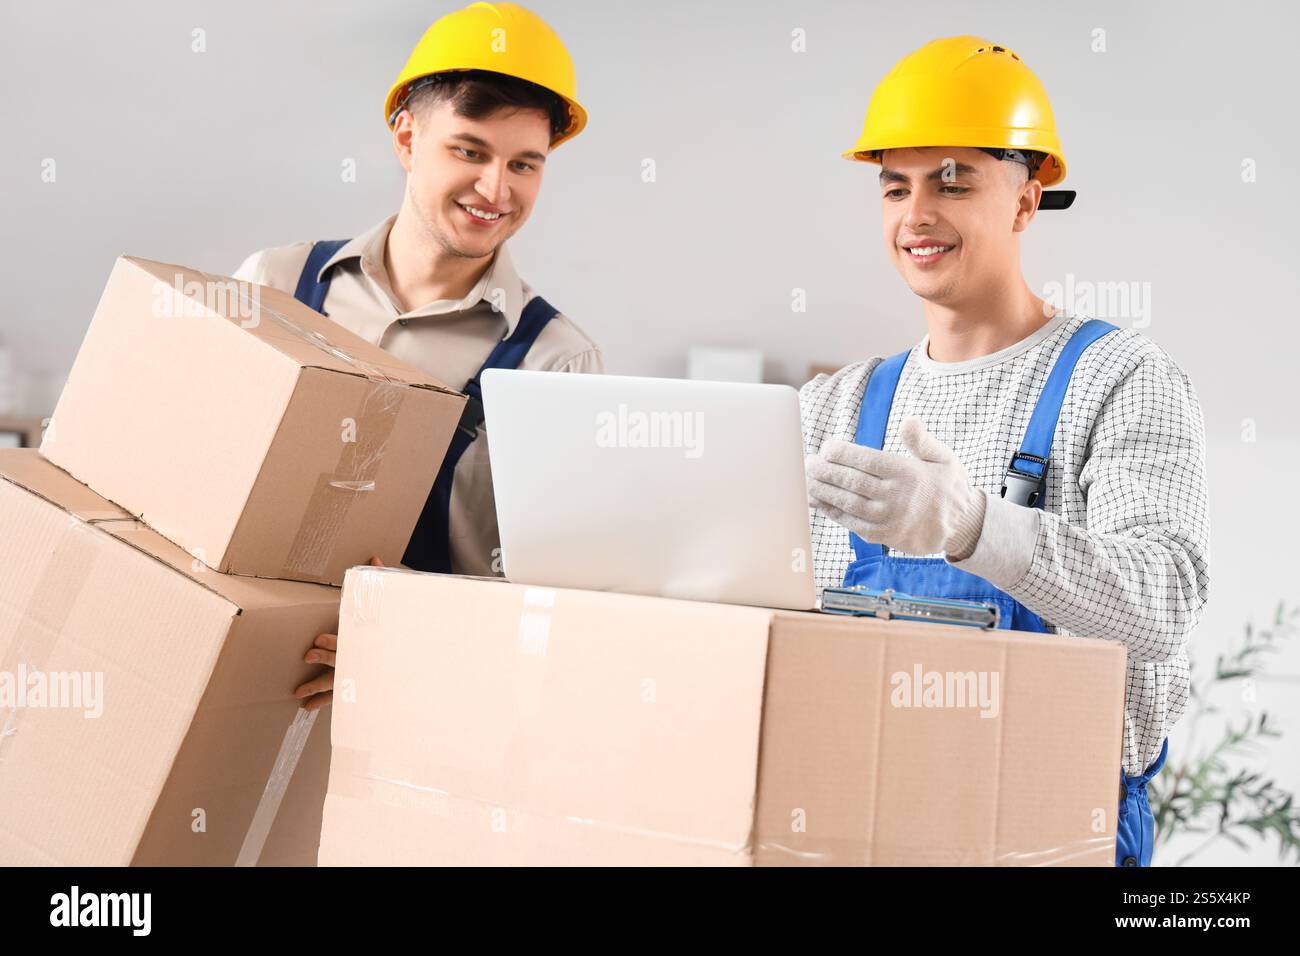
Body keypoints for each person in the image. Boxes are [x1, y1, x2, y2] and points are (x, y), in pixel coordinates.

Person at [802, 36, 1209, 867]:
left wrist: (973, 527)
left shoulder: (1120, 378)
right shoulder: (833, 406)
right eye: (896, 187)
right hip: (861, 822)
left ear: (1026, 202)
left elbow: (1165, 601)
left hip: (1055, 833)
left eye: (952, 182)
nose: (917, 215)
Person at [246, 3, 603, 712]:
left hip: (420, 708)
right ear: (407, 137)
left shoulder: (557, 363)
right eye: (469, 151)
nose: (496, 190)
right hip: (239, 660)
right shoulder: (274, 285)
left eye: (523, 164)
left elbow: (558, 605)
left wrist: (418, 629)